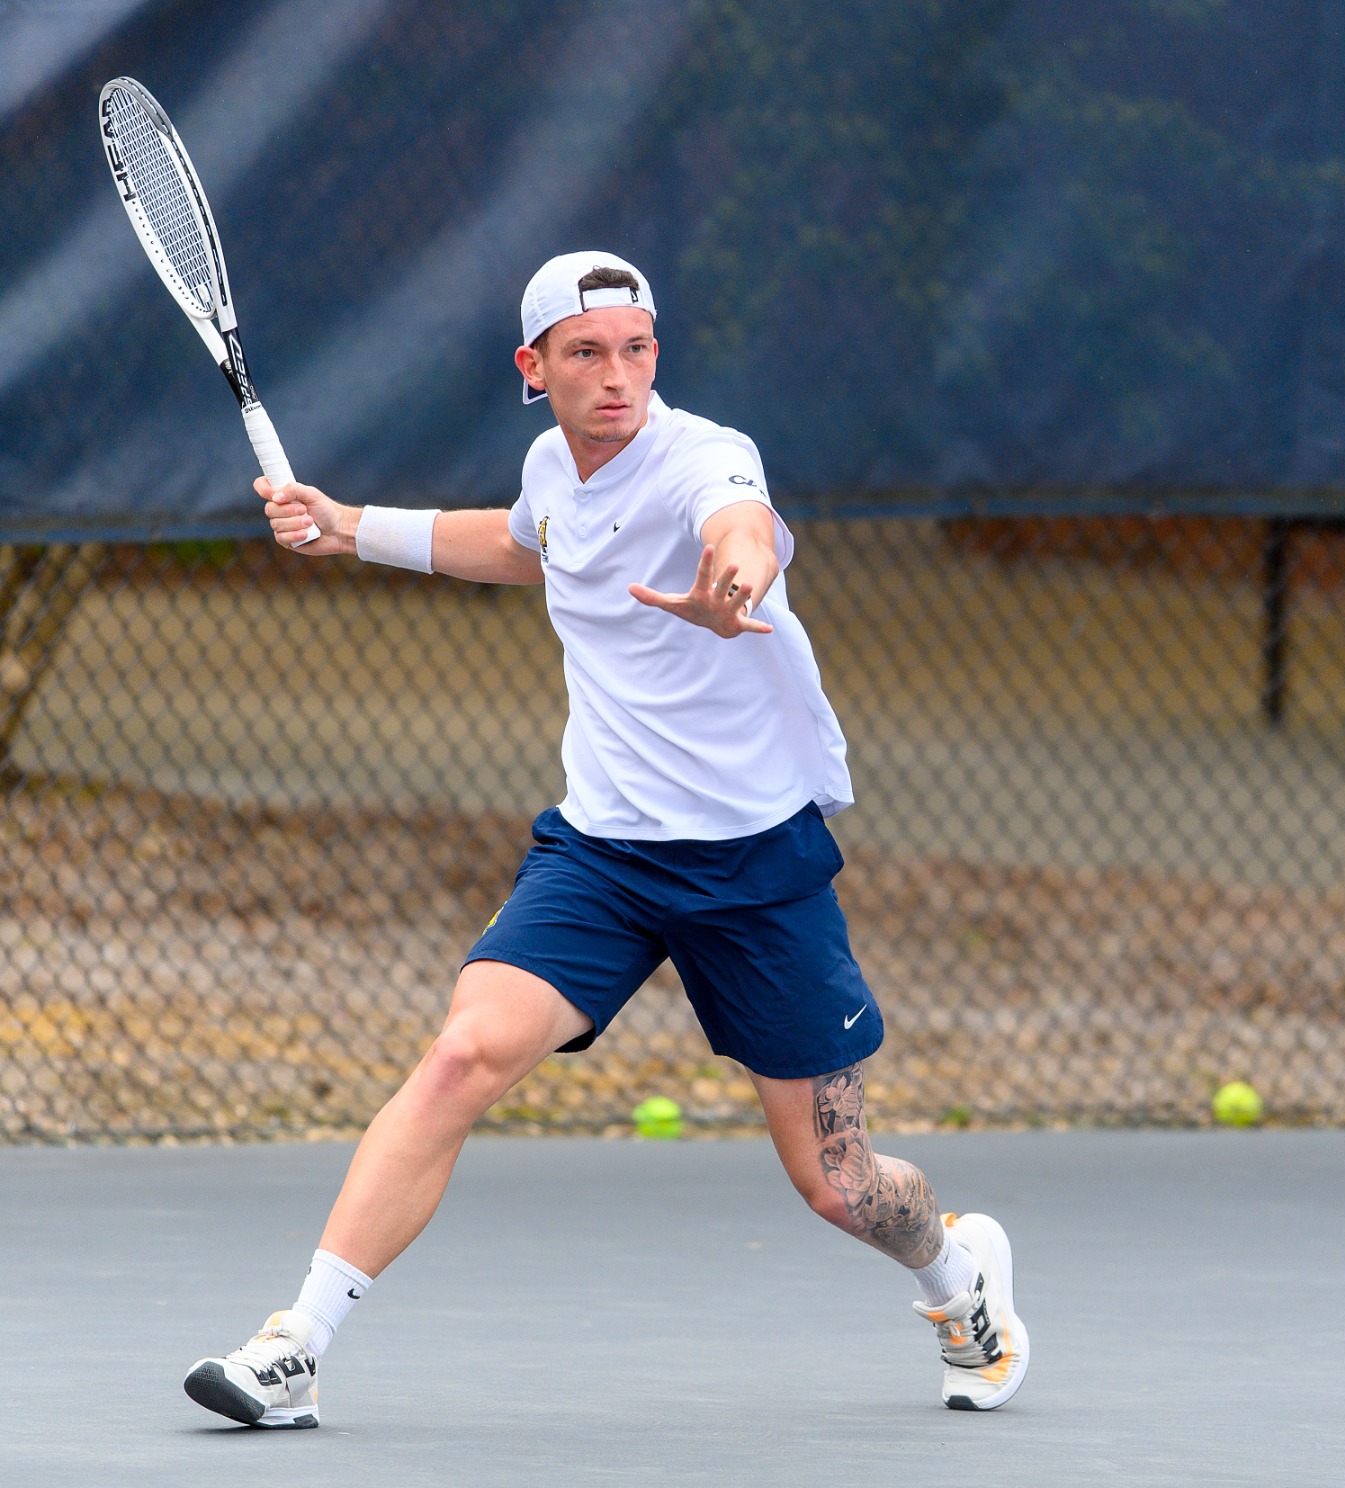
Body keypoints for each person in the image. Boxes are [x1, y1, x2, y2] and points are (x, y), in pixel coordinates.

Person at [182, 251, 1027, 1428]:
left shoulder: (705, 455)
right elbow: (531, 544)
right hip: (602, 854)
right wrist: (350, 527)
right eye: (586, 354)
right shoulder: (550, 464)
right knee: (461, 1057)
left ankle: (956, 1281)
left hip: (752, 866)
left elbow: (744, 529)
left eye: (637, 348)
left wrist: (733, 580)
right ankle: (296, 1346)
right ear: (535, 370)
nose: (617, 375)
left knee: (838, 1185)